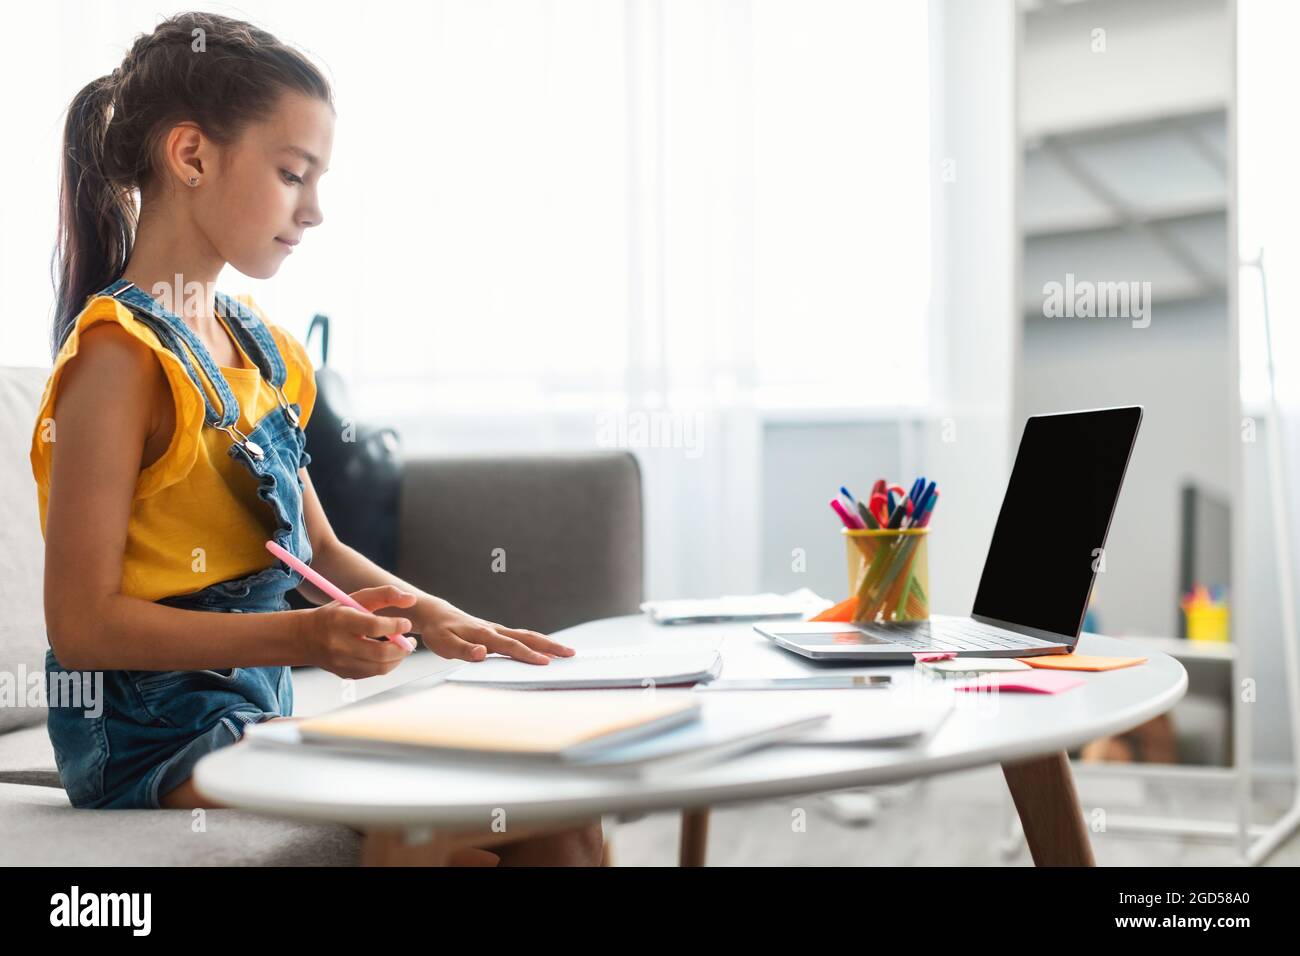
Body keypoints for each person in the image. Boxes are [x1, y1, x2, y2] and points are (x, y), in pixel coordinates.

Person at [33, 11, 601, 866]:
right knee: (433, 822)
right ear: (191, 157)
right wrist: (303, 639)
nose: (316, 210)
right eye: (294, 173)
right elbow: (81, 626)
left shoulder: (264, 348)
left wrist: (441, 618)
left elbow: (322, 548)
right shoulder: (118, 358)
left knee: (564, 813)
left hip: (251, 714)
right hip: (147, 740)